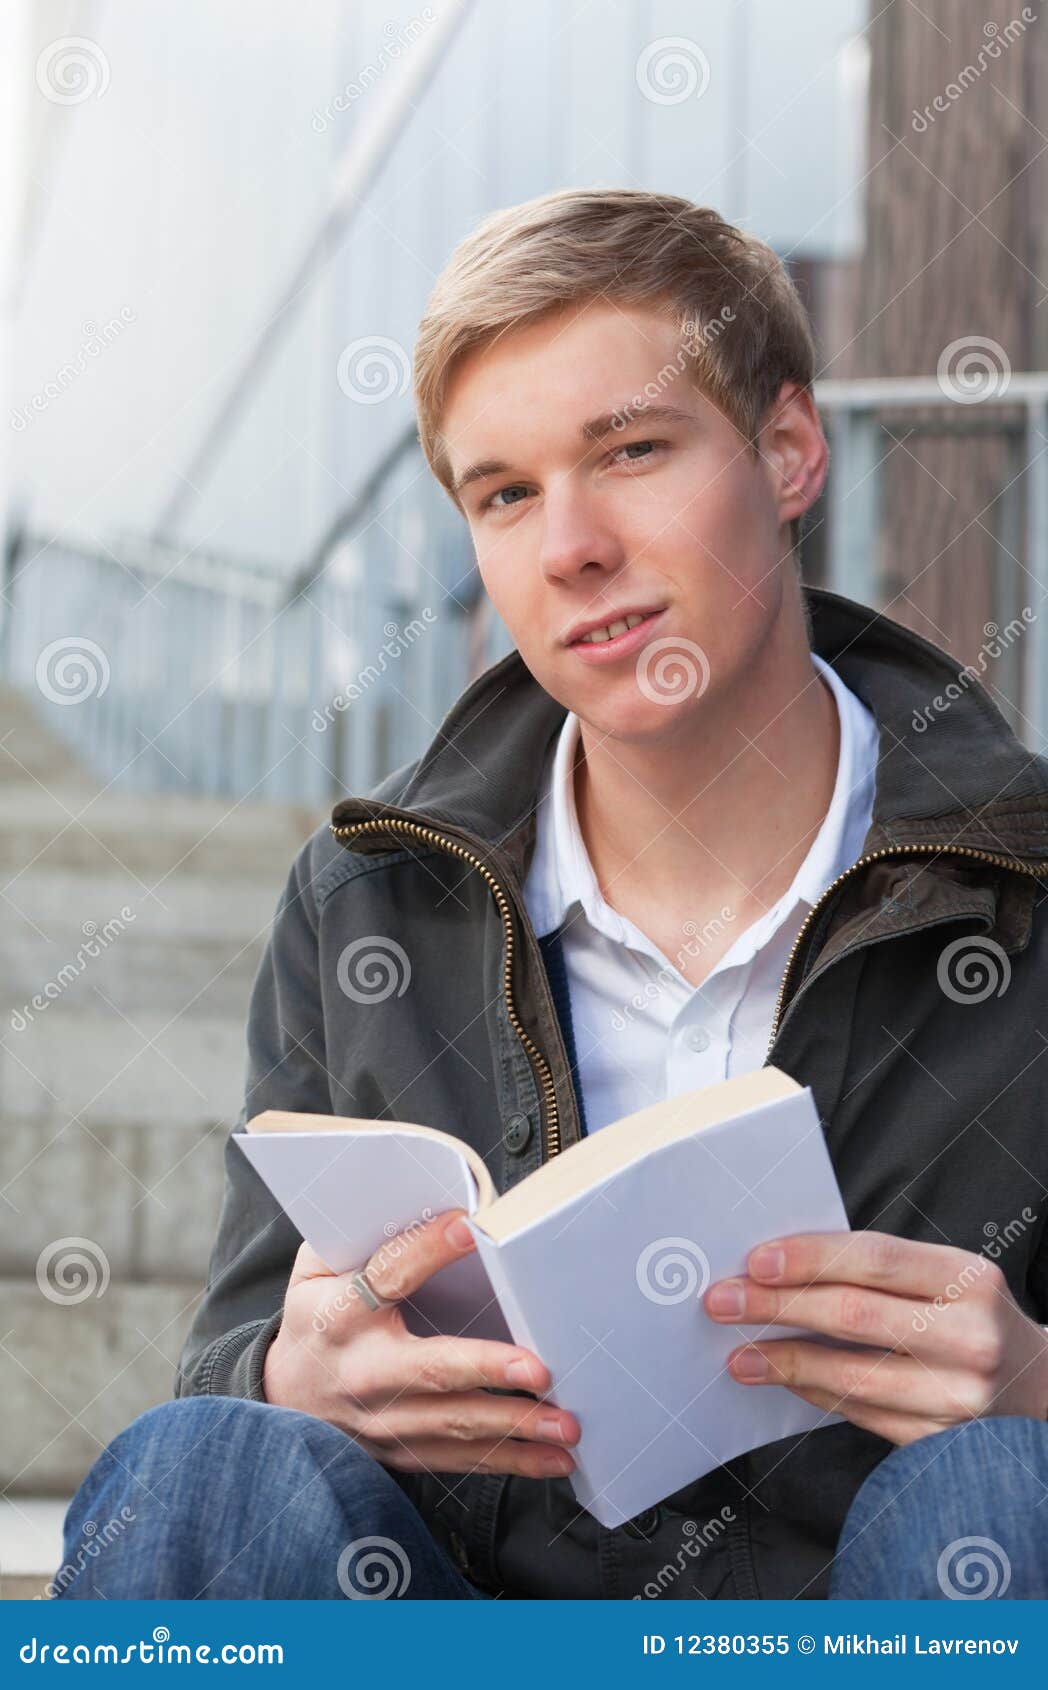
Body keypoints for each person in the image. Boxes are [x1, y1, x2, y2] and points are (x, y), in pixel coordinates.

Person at [56, 188, 1048, 1601]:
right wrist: (292, 1369)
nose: (569, 545)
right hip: (462, 1618)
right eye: (505, 492)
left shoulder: (1028, 878)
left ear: (788, 448)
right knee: (203, 1464)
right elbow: (233, 1350)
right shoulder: (367, 907)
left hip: (893, 1621)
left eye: (631, 451)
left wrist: (1036, 1380)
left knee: (1007, 1484)